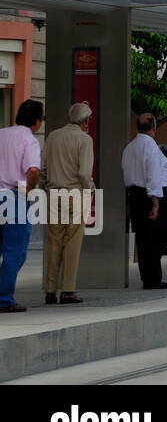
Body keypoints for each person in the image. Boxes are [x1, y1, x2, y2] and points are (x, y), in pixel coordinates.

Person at [42, 102, 95, 304]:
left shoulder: (53, 136)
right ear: (87, 120)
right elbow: (83, 173)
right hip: (75, 193)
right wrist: (89, 187)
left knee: (54, 241)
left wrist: (45, 187)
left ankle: (49, 290)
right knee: (72, 243)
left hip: (54, 194)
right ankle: (68, 290)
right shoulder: (85, 139)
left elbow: (43, 169)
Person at [122, 113, 167, 290]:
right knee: (157, 238)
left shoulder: (130, 147)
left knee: (143, 238)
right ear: (154, 128)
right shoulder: (150, 146)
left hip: (136, 195)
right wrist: (155, 202)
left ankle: (148, 276)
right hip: (153, 195)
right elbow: (152, 174)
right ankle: (153, 278)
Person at [0, 99, 43, 313]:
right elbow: (33, 170)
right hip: (14, 197)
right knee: (14, 252)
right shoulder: (29, 141)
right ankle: (4, 298)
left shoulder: (1, 134)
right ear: (37, 122)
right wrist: (28, 191)